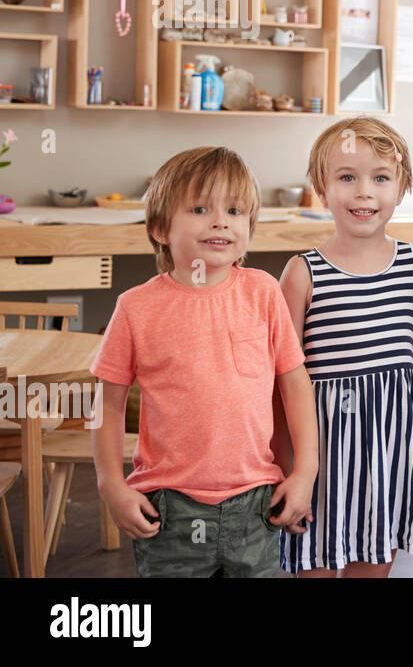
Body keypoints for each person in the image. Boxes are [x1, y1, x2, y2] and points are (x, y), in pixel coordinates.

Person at [91, 147, 317, 577]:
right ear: (160, 227)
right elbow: (108, 405)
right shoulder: (135, 308)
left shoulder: (264, 292)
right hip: (169, 509)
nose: (221, 221)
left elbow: (294, 384)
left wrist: (304, 472)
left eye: (234, 210)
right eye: (200, 208)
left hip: (257, 502)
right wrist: (110, 486)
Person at [278, 118, 413, 577]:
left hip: (393, 452)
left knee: (374, 563)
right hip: (323, 456)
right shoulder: (302, 273)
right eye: (347, 177)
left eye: (380, 177)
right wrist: (287, 464)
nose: (364, 192)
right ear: (321, 188)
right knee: (313, 564)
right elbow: (280, 379)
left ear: (402, 186)